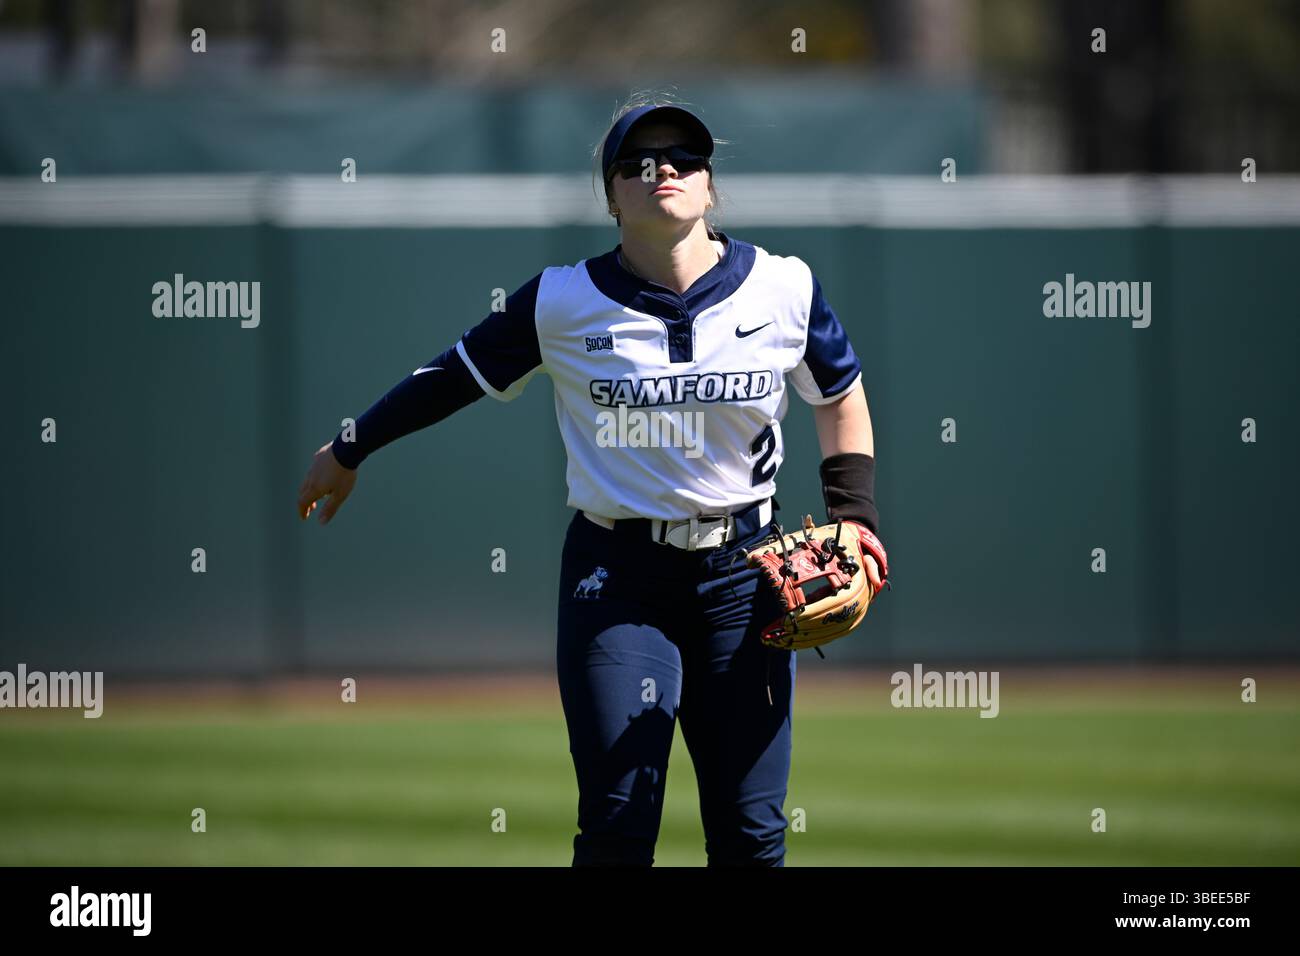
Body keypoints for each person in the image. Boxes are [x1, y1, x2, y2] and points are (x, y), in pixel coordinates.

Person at [296, 93, 890, 867]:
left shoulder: (784, 288)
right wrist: (350, 448)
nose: (664, 170)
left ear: (710, 187)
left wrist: (856, 515)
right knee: (617, 824)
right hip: (617, 580)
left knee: (752, 836)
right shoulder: (562, 300)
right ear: (612, 195)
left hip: (745, 575)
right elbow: (450, 376)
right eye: (639, 162)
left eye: (684, 157)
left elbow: (839, 394)